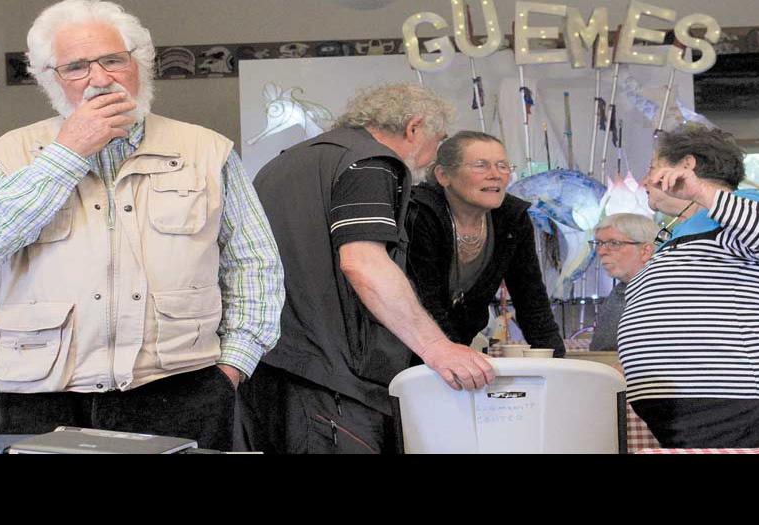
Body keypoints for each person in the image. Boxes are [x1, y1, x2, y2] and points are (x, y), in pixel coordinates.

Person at [0, 0, 283, 451]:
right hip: (42, 395)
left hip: (182, 387)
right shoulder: (8, 153)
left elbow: (254, 263)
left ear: (141, 63)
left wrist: (232, 367)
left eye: (113, 60)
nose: (99, 79)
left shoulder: (207, 150)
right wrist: (68, 153)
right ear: (50, 78)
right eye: (76, 67)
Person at [245, 84, 496, 454]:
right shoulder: (370, 162)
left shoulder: (284, 163)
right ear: (414, 127)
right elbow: (363, 262)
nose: (432, 158)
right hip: (333, 382)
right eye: (439, 140)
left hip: (270, 372)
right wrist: (438, 348)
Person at [617, 124, 759, 448]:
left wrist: (701, 192)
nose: (644, 181)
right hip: (698, 409)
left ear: (686, 166)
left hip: (740, 402)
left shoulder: (739, 207)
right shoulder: (684, 231)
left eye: (652, 168)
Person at [405, 131, 563, 356]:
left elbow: (532, 300)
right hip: (405, 349)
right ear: (443, 175)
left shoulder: (512, 217)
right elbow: (425, 301)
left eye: (502, 166)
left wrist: (556, 362)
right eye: (481, 166)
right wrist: (456, 357)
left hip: (456, 349)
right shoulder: (418, 213)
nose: (495, 175)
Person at [588, 213, 658, 352]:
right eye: (599, 243)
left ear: (645, 251)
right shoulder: (621, 290)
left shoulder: (658, 294)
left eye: (614, 243)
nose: (601, 251)